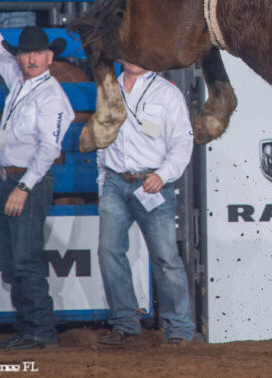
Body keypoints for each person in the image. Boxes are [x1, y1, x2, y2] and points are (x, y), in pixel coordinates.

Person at [0, 0, 74, 351]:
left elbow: (50, 148)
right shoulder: (20, 81)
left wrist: (23, 186)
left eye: (36, 54)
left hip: (25, 182)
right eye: (26, 53)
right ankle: (29, 328)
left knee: (26, 259)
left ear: (49, 57)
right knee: (16, 260)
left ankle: (40, 331)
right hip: (11, 180)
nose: (29, 59)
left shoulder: (52, 96)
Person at [96, 60, 195, 347]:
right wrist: (102, 183)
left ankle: (179, 329)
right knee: (108, 252)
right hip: (115, 180)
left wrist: (162, 175)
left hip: (152, 183)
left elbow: (183, 143)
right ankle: (124, 324)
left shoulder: (167, 93)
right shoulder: (108, 89)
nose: (133, 56)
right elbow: (103, 140)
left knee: (165, 257)